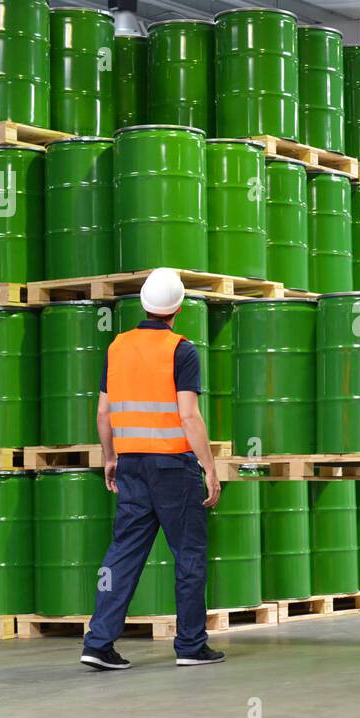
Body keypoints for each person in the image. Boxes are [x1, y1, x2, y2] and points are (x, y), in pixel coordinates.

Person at [81, 268, 222, 671]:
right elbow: (189, 416)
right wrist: (209, 468)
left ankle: (98, 642)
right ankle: (191, 645)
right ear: (178, 308)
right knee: (189, 554)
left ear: (143, 303)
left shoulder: (117, 347)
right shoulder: (181, 349)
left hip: (131, 465)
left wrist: (110, 458)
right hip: (174, 468)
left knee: (123, 553)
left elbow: (104, 412)